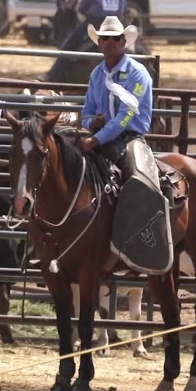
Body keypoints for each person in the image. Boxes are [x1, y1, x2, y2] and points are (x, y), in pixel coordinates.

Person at [78, 16, 169, 275]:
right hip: (99, 136)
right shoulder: (97, 74)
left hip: (130, 138)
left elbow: (126, 117)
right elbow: (86, 111)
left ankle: (144, 238)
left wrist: (96, 138)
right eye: (104, 38)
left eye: (114, 38)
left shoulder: (138, 75)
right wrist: (90, 122)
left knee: (140, 179)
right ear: (99, 43)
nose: (109, 43)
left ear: (123, 42)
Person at [44, 0, 125, 82]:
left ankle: (54, 74)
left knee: (69, 44)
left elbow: (82, 8)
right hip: (116, 23)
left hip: (96, 22)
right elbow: (121, 9)